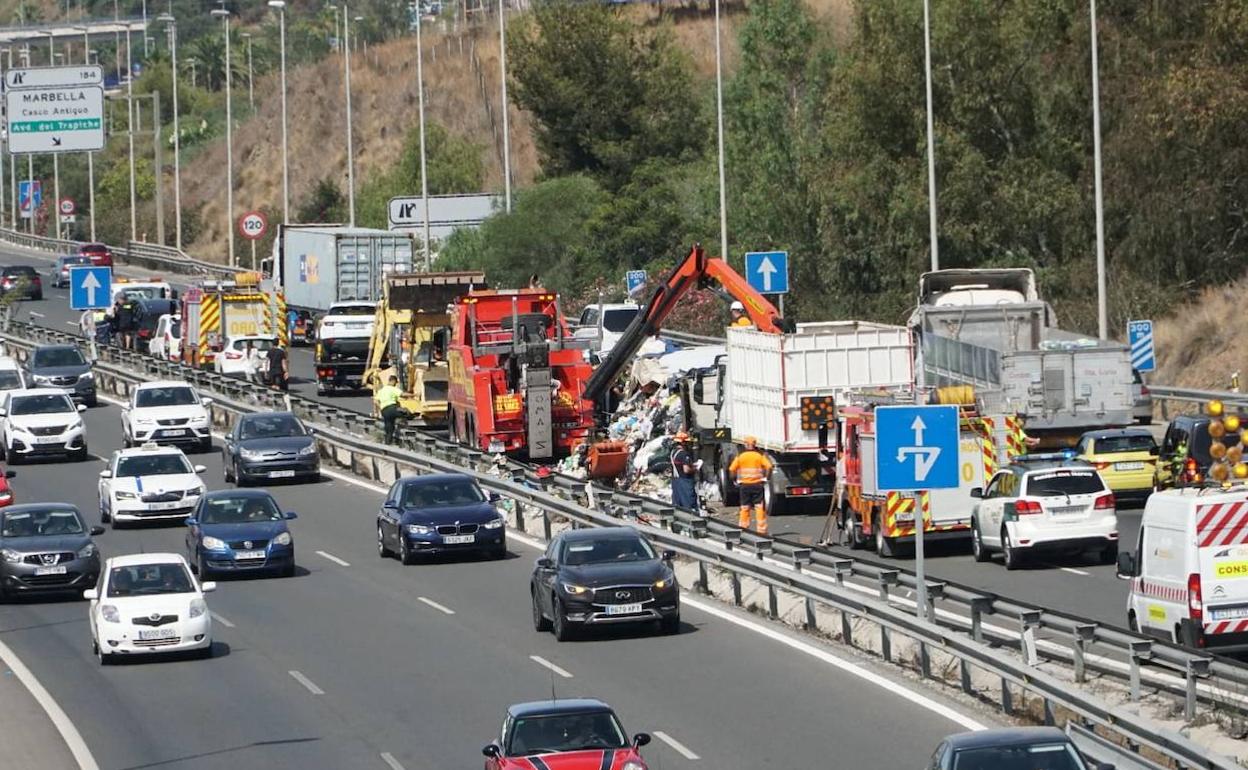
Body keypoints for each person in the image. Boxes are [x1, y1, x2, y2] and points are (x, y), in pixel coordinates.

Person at [728, 436, 773, 535]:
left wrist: (735, 480)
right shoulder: (759, 456)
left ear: (745, 445)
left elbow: (731, 470)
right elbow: (769, 466)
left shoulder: (741, 457)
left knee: (744, 507)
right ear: (754, 444)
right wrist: (766, 479)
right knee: (759, 507)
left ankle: (743, 529)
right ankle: (761, 531)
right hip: (757, 485)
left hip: (744, 486)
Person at [670, 432, 699, 513]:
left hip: (675, 481)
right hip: (684, 482)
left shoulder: (673, 452)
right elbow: (686, 470)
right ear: (683, 442)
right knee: (688, 505)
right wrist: (695, 469)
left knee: (678, 505)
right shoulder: (684, 454)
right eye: (686, 442)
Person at [375, 374, 403, 445]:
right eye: (395, 383)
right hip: (392, 408)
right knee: (405, 413)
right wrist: (414, 395)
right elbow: (403, 395)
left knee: (389, 428)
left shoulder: (382, 390)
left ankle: (387, 444)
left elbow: (375, 401)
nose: (395, 384)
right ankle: (412, 416)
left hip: (384, 411)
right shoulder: (393, 389)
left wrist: (381, 407)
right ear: (393, 381)